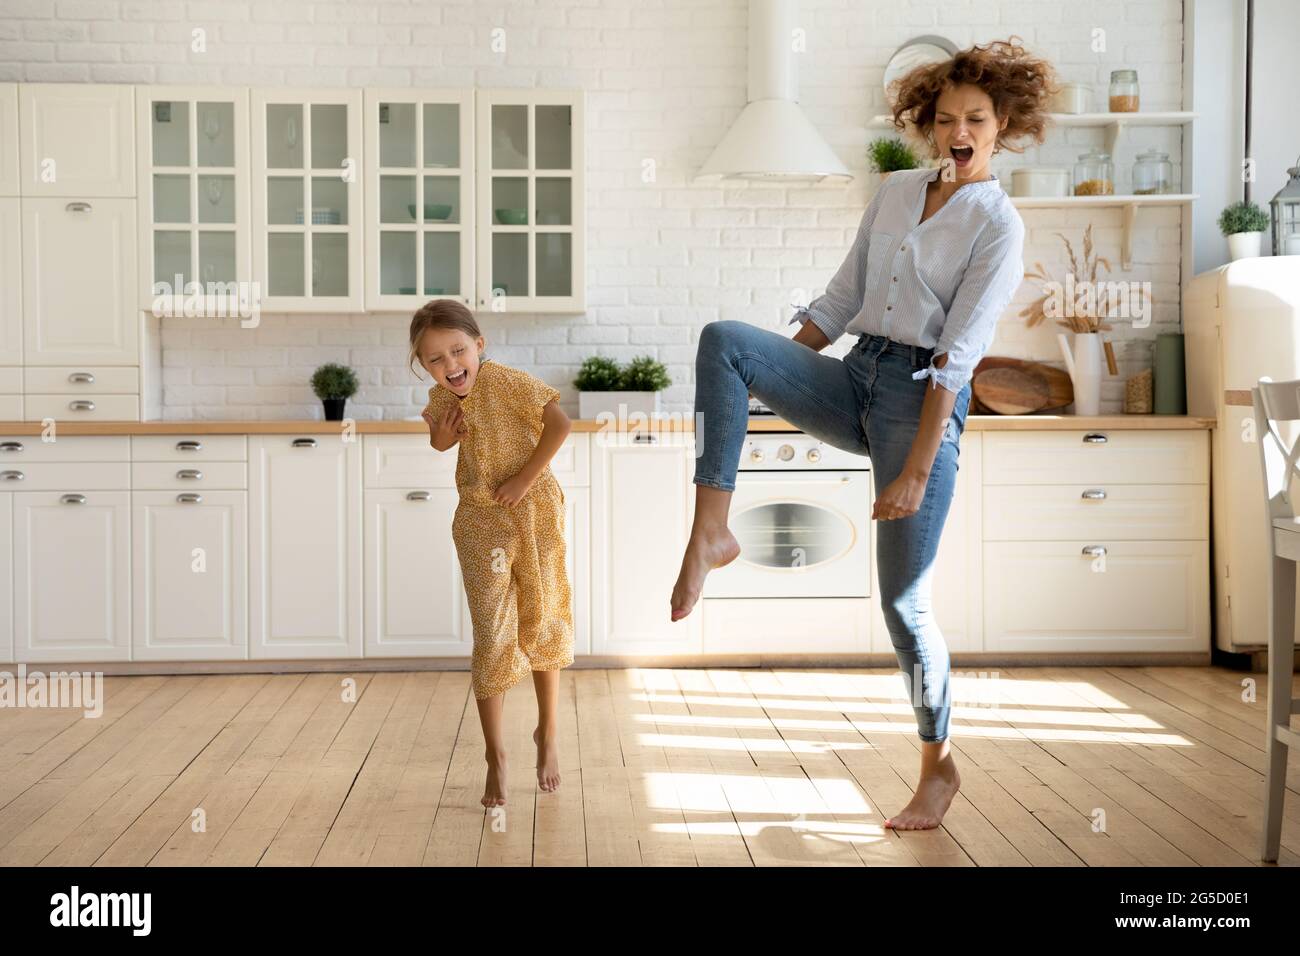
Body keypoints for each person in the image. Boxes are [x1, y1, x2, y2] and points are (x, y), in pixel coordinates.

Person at [670, 38, 1056, 830]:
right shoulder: (893, 194)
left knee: (905, 609)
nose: (959, 130)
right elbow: (841, 301)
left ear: (1002, 124)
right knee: (725, 339)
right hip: (856, 374)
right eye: (945, 118)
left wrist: (914, 470)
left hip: (920, 407)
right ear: (927, 124)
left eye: (975, 119)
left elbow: (958, 359)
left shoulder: (998, 224)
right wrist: (769, 371)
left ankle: (938, 768)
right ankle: (712, 532)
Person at [413, 300, 574, 808]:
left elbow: (560, 423)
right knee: (491, 633)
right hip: (481, 525)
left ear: (478, 346)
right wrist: (443, 434)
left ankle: (547, 732)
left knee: (543, 620)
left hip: (535, 514)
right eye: (435, 359)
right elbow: (440, 445)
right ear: (424, 364)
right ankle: (495, 755)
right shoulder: (440, 398)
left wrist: (524, 479)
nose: (450, 366)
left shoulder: (507, 381)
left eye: (457, 351)